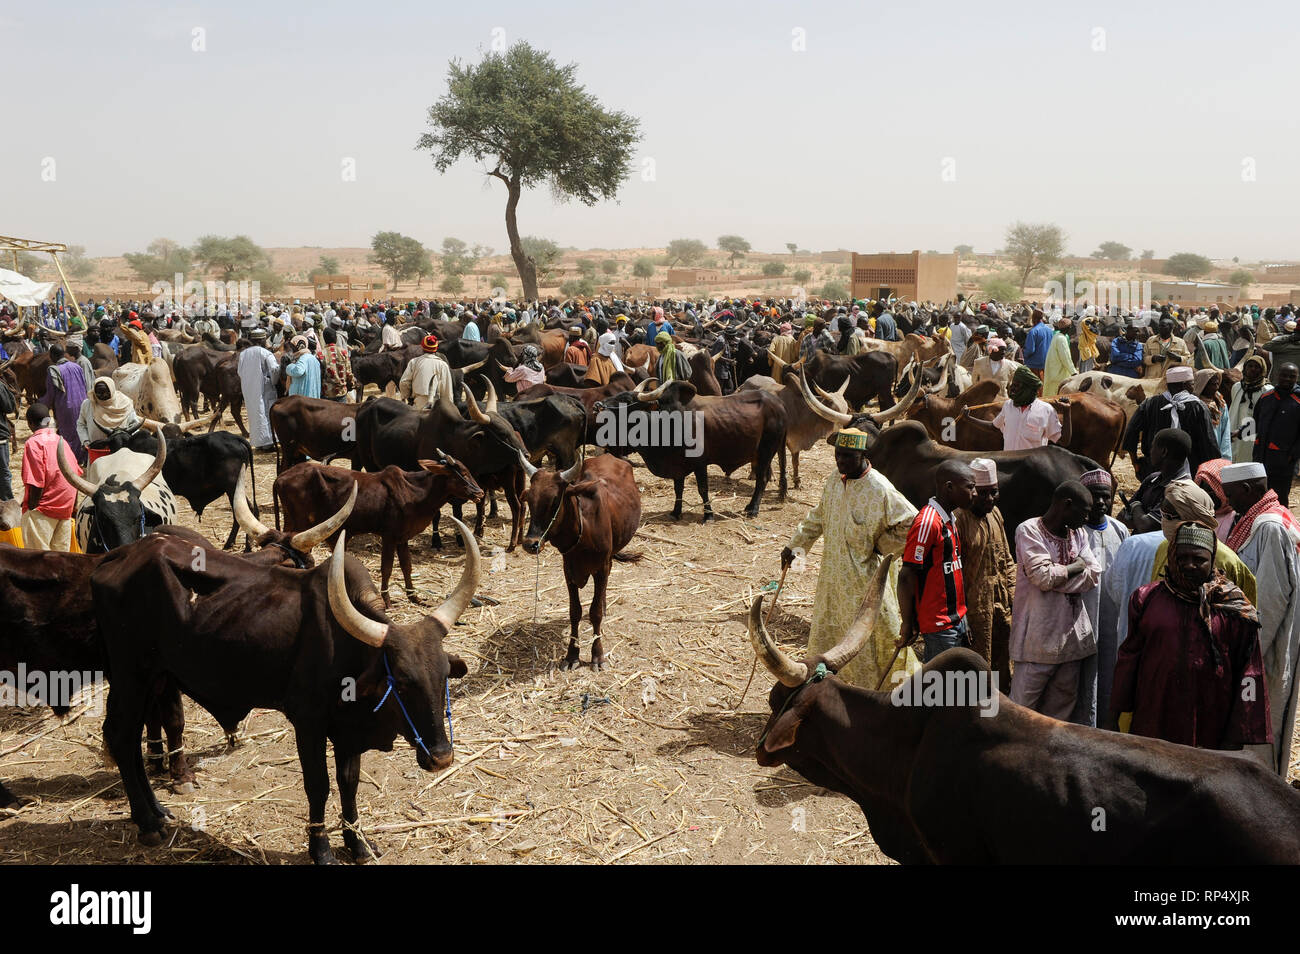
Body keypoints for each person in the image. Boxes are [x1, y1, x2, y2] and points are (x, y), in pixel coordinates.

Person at [1108, 522, 1270, 755]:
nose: (1189, 565)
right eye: (1182, 557)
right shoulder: (1146, 599)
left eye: (1198, 559)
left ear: (1212, 559)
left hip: (1211, 723)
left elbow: (1249, 673)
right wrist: (1112, 716)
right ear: (1171, 556)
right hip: (1153, 718)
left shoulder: (1234, 609)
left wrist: (1237, 735)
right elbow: (1128, 662)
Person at [780, 428, 919, 689]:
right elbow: (818, 517)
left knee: (875, 636)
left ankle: (875, 692)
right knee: (829, 631)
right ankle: (829, 687)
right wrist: (795, 547)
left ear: (863, 455)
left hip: (864, 583)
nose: (841, 461)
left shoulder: (879, 487)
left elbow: (913, 523)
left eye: (847, 456)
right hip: (832, 577)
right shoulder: (835, 479)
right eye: (837, 455)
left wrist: (883, 545)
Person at [1220, 461, 1300, 775]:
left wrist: (1249, 656)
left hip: (1263, 647)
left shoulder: (1270, 527)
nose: (1228, 502)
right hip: (1253, 641)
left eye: (1231, 494)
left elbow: (1270, 598)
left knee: (1260, 721)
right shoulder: (1258, 519)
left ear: (1249, 489)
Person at [1009, 481, 1101, 722]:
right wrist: (1074, 567)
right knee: (1021, 712)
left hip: (1072, 640)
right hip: (1037, 640)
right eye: (1085, 511)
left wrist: (1057, 576)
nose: (1088, 518)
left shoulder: (1078, 533)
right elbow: (1041, 576)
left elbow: (1093, 574)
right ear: (1067, 505)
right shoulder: (1029, 531)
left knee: (1059, 715)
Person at [896, 460, 976, 662]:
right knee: (941, 690)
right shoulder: (928, 522)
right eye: (970, 487)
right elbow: (907, 574)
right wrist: (908, 622)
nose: (974, 493)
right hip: (939, 625)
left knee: (957, 686)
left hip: (957, 618)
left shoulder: (950, 518)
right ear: (949, 487)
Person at [1074, 469, 1129, 727]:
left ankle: (1106, 724)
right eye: (1094, 497)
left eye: (1105, 497)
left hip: (1113, 616)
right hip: (1083, 613)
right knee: (1085, 674)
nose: (1100, 503)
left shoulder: (1119, 530)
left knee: (1110, 668)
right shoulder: (1075, 533)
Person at [953, 458, 1015, 685]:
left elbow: (1007, 559)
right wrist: (962, 618)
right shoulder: (958, 520)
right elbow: (953, 573)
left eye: (994, 492)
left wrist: (1013, 597)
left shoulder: (996, 514)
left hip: (1001, 606)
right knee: (976, 673)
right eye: (982, 493)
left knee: (1003, 668)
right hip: (973, 612)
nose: (989, 499)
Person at [1123, 365, 1217, 478]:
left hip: (1154, 471)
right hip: (1190, 473)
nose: (1193, 387)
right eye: (1192, 384)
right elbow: (1209, 443)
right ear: (1184, 385)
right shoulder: (1198, 407)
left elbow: (1130, 432)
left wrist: (1135, 463)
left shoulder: (1149, 403)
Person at [960, 365, 1071, 451]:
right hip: (1010, 467)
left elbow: (1064, 441)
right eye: (1013, 384)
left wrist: (1067, 412)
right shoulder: (1008, 405)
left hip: (1033, 469)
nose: (1012, 389)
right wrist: (968, 418)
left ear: (1028, 389)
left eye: (1017, 386)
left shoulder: (1046, 410)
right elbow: (993, 427)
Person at [20, 404, 81, 551]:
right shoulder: (62, 441)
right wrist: (73, 507)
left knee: (38, 561)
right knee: (60, 560)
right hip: (65, 508)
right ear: (48, 421)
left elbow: (36, 481)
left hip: (43, 510)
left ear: (30, 424)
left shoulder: (33, 443)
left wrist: (31, 510)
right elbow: (75, 474)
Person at [1250, 361, 1300, 504]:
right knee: (1259, 497)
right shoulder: (1266, 397)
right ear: (1278, 375)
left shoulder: (1297, 401)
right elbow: (1254, 421)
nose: (1287, 379)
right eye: (1284, 375)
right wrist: (1241, 432)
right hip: (1260, 458)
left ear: (1297, 378)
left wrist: (1292, 456)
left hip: (1283, 462)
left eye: (1292, 376)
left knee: (1279, 499)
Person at [39, 344, 89, 464]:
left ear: (53, 356)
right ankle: (83, 460)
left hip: (66, 408)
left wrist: (40, 403)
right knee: (81, 433)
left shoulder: (53, 370)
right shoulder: (77, 366)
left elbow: (50, 395)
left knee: (68, 436)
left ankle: (72, 462)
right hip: (83, 405)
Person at [76, 376, 142, 465]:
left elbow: (134, 425)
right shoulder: (88, 404)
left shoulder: (124, 403)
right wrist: (85, 441)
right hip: (97, 451)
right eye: (98, 393)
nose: (101, 396)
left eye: (105, 392)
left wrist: (129, 440)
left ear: (112, 390)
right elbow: (81, 424)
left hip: (121, 451)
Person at [237, 328, 279, 452]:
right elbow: (274, 370)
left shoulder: (243, 354)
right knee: (265, 414)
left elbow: (239, 372)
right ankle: (267, 443)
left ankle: (258, 442)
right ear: (262, 339)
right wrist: (274, 382)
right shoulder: (265, 353)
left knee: (254, 414)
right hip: (264, 388)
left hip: (248, 389)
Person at [1228, 354, 1272, 463]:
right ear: (1245, 368)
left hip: (1254, 433)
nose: (1253, 369)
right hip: (1235, 428)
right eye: (1250, 366)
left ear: (1262, 370)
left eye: (1257, 367)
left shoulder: (1267, 390)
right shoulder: (1237, 387)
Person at [398, 334, 453, 410]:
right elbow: (447, 391)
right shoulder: (443, 365)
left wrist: (406, 396)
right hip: (437, 407)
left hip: (418, 404)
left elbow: (404, 383)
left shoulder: (414, 362)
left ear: (422, 347)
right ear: (436, 349)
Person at [320, 327, 356, 402]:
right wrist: (351, 384)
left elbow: (320, 375)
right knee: (342, 413)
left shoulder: (320, 354)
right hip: (341, 391)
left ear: (324, 339)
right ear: (336, 338)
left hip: (327, 392)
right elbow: (349, 372)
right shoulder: (343, 352)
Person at [1044, 316, 1076, 397]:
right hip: (1058, 372)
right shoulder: (1061, 339)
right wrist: (1073, 372)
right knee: (1056, 395)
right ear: (1068, 328)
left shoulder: (1057, 336)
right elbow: (1065, 358)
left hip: (1053, 369)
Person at [284, 335, 321, 399]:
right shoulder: (313, 358)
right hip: (312, 396)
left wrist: (289, 367)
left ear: (298, 347)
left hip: (302, 399)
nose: (292, 349)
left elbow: (298, 371)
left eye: (293, 347)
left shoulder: (303, 358)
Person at [1021, 309, 1053, 380]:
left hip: (1034, 365)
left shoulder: (1033, 331)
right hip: (1046, 364)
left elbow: (1030, 350)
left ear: (1033, 319)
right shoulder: (1049, 330)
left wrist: (1023, 352)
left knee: (1036, 388)